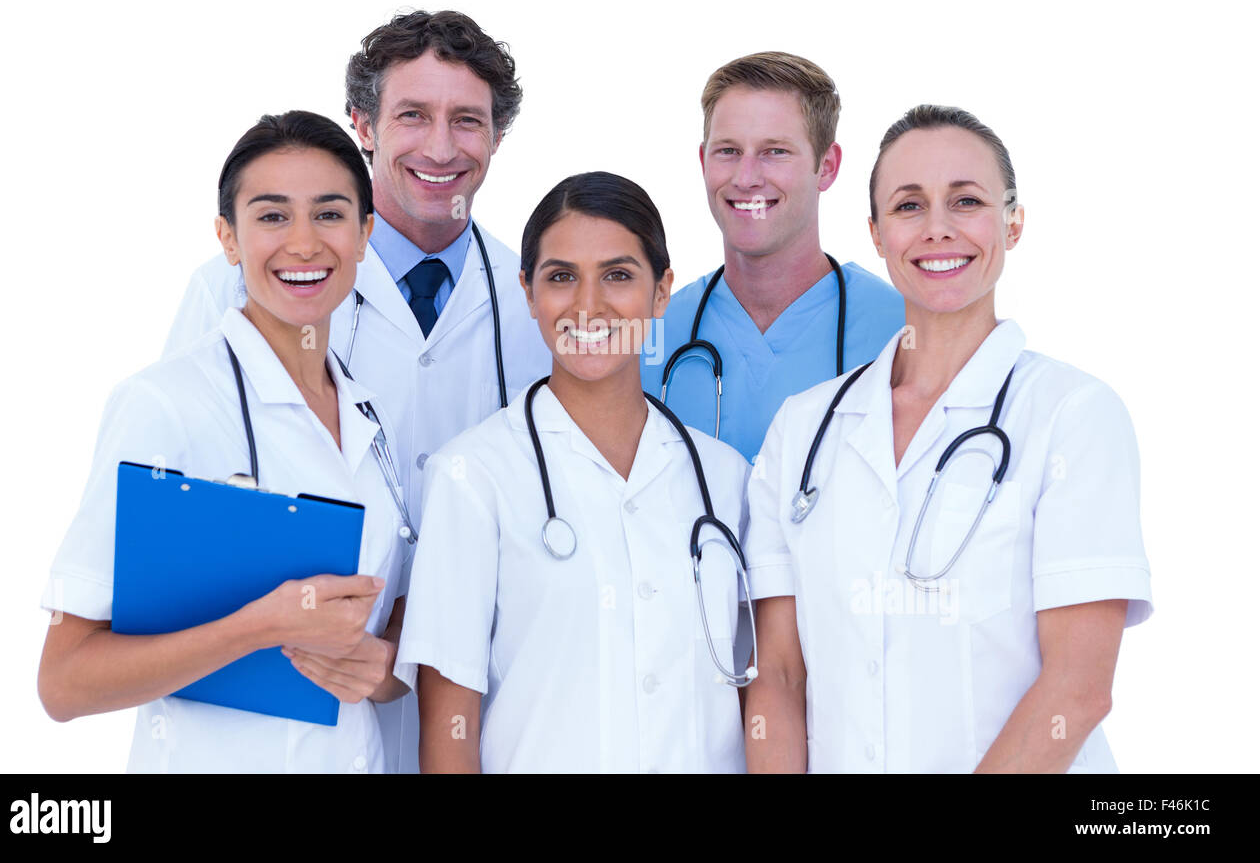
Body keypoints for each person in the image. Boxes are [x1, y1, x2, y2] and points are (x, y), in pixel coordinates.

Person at [161, 10, 550, 772]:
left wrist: (409, 645)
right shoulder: (237, 287)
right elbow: (184, 516)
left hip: (473, 707)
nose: (440, 147)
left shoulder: (539, 299)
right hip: (289, 711)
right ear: (363, 124)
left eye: (467, 121)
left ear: (497, 138)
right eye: (412, 115)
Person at [742, 105, 1153, 773]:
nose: (938, 229)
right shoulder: (803, 430)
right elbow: (779, 678)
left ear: (1013, 223)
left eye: (966, 201)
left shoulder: (1072, 416)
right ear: (875, 233)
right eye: (908, 206)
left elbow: (1077, 690)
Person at [38, 111, 412, 772]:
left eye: (329, 215)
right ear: (228, 239)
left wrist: (383, 669)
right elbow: (65, 682)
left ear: (365, 236)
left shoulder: (367, 416)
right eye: (271, 216)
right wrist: (262, 625)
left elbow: (380, 647)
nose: (303, 243)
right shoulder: (165, 404)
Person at [393, 172, 752, 773]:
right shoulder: (473, 475)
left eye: (618, 275)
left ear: (661, 292)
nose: (588, 306)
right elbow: (449, 724)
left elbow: (754, 684)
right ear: (529, 293)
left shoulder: (725, 479)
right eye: (561, 278)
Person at [643, 51, 906, 464]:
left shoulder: (901, 330)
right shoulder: (652, 334)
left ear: (827, 167)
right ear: (702, 161)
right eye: (728, 151)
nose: (746, 177)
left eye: (775, 151)